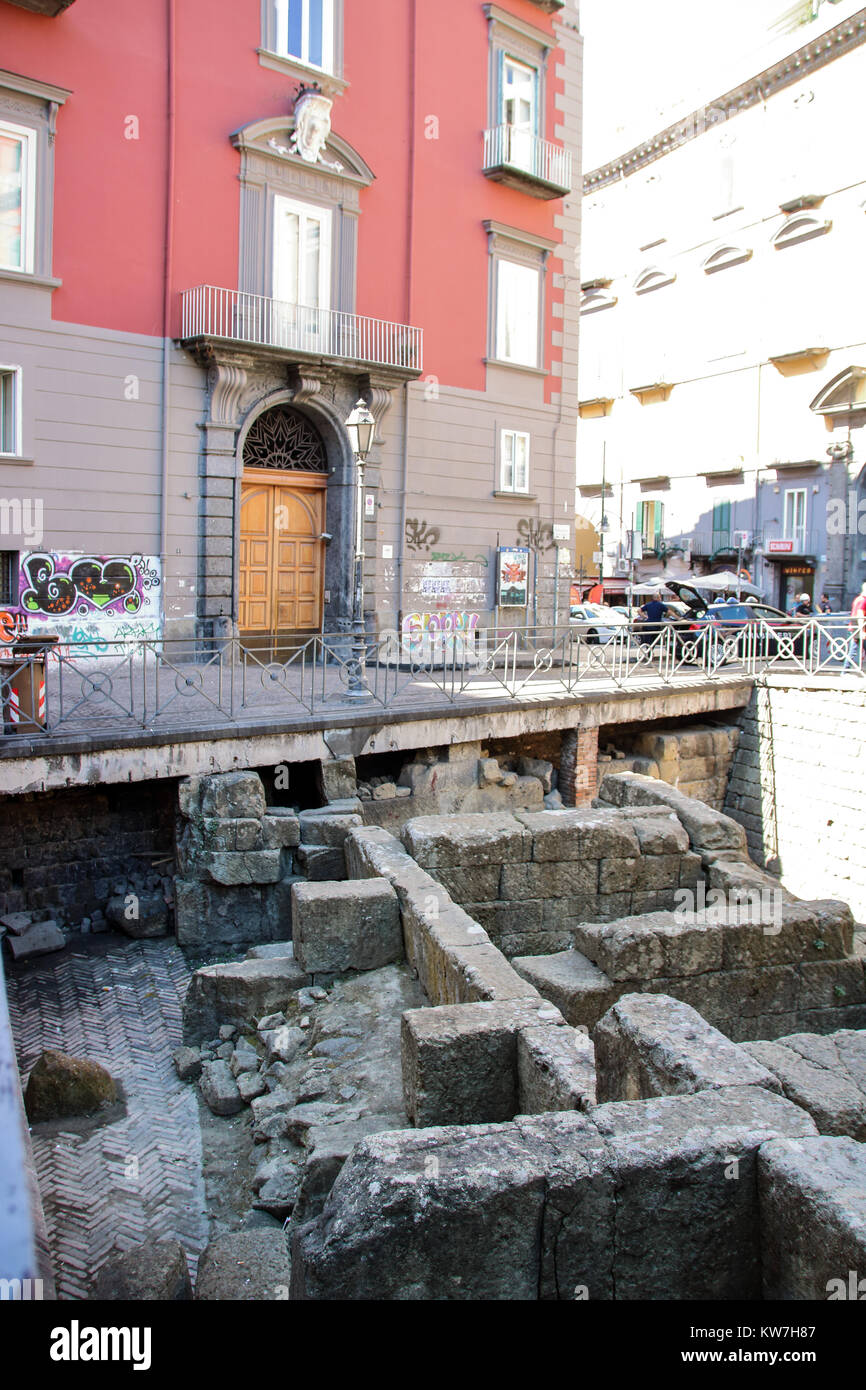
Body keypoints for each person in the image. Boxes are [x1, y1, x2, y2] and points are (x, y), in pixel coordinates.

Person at [842, 581, 866, 672]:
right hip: (857, 628)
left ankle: (845, 670)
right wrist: (862, 630)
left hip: (854, 627)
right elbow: (860, 614)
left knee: (853, 649)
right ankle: (844, 671)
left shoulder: (858, 599)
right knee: (853, 650)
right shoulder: (863, 600)